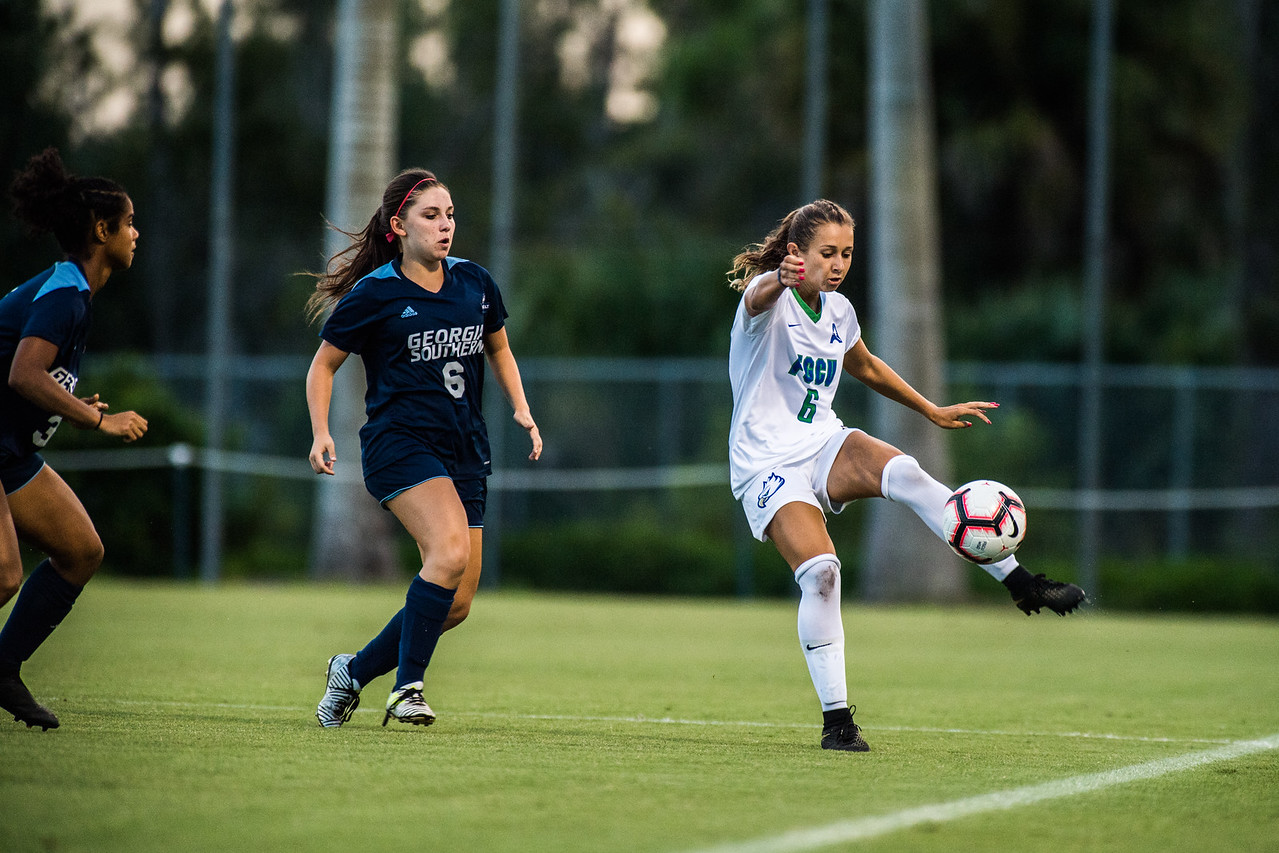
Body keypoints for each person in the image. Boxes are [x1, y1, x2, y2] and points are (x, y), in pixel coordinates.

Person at [726, 199, 1084, 752]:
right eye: (827, 253)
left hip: (822, 441)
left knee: (908, 473)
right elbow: (756, 295)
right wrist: (778, 277)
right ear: (797, 253)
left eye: (847, 252)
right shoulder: (765, 308)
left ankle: (1021, 584)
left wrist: (931, 410)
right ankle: (837, 722)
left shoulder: (839, 313)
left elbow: (864, 365)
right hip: (766, 463)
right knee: (822, 574)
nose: (839, 262)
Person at [306, 168, 541, 729]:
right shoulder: (377, 293)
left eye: (450, 214)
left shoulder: (475, 283)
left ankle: (353, 672)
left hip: (465, 449)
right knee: (449, 554)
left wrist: (521, 407)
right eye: (431, 215)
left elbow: (499, 349)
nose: (445, 226)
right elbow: (323, 365)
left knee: (455, 603)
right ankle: (406, 687)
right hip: (400, 446)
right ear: (398, 226)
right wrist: (320, 431)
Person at [0, 148, 148, 730]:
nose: (137, 233)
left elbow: (28, 379)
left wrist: (70, 403)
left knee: (82, 551)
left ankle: (4, 668)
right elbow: (23, 373)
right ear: (101, 229)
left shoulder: (73, 294)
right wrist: (97, 421)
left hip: (9, 451)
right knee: (5, 575)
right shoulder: (64, 296)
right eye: (129, 222)